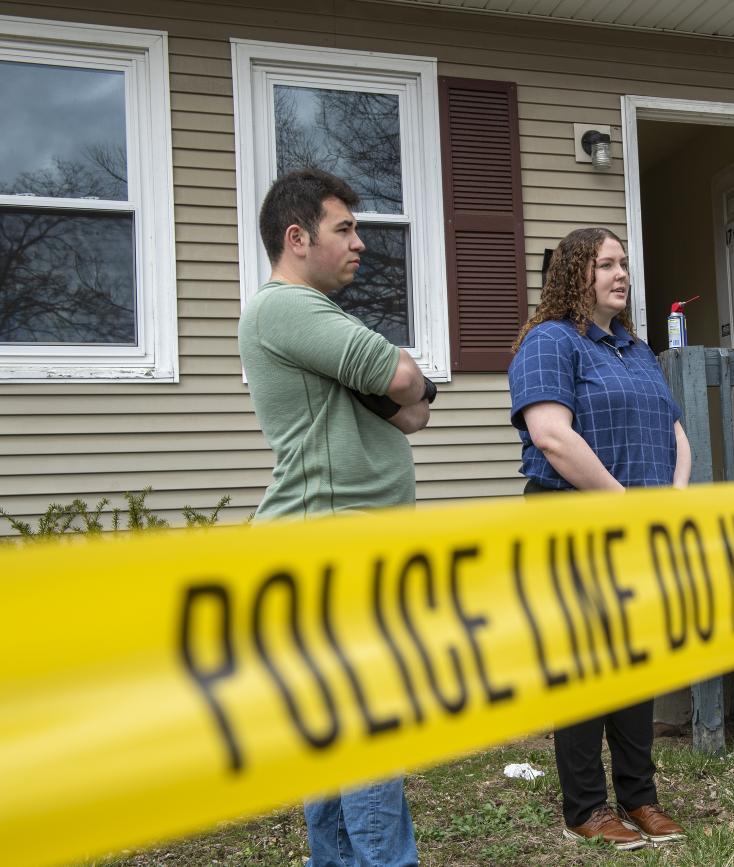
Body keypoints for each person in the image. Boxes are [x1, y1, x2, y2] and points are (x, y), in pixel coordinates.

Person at [238, 168, 435, 867]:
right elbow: (405, 383)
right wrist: (401, 381)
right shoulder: (285, 309)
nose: (361, 244)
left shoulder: (314, 316)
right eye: (344, 228)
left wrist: (402, 384)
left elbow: (412, 406)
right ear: (297, 237)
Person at [507, 227, 691, 850]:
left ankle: (639, 797)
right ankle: (586, 807)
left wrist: (671, 499)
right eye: (606, 264)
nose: (621, 274)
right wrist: (625, 505)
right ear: (573, 275)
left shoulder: (634, 351)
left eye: (624, 264)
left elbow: (673, 430)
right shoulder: (549, 342)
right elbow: (553, 437)